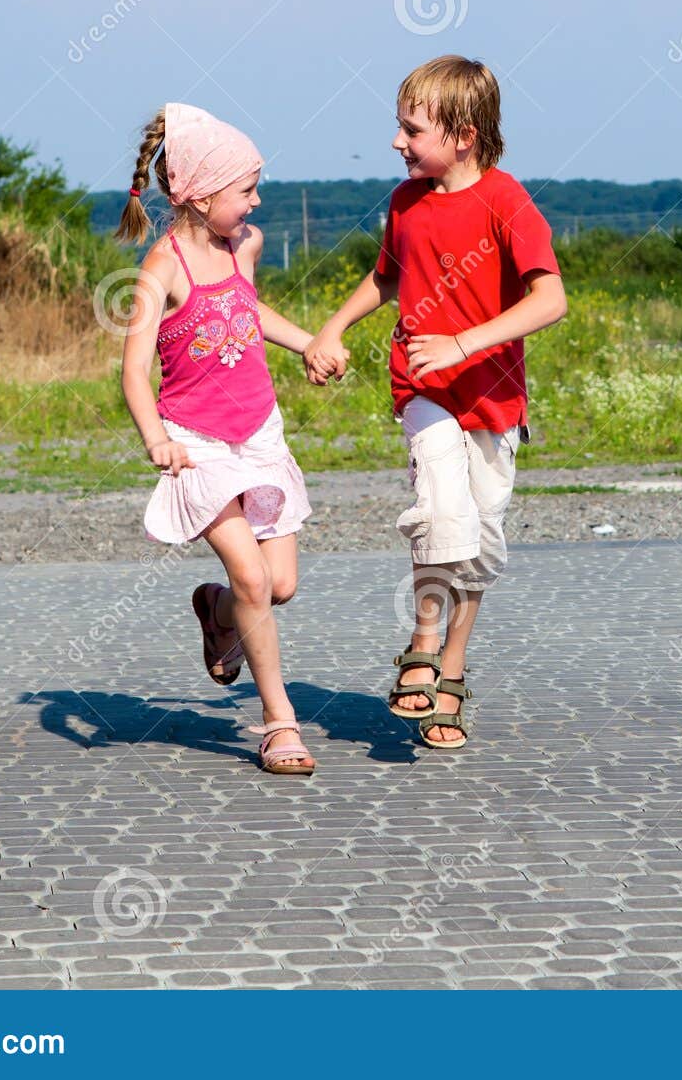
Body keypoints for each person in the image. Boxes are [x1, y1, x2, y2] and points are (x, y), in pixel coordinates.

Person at [306, 56, 567, 749]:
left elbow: (551, 299)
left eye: (410, 129)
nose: (397, 142)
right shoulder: (404, 202)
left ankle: (451, 667)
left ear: (463, 135)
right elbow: (386, 277)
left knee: (478, 540)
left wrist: (465, 344)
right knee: (441, 508)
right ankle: (424, 642)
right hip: (423, 388)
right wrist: (333, 326)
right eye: (399, 126)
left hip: (495, 399)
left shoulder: (508, 201)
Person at [116, 102, 327, 775]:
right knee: (253, 577)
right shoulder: (163, 267)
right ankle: (278, 722)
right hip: (198, 444)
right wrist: (157, 439)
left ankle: (217, 610)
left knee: (281, 584)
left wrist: (308, 344)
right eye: (246, 189)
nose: (256, 201)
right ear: (203, 195)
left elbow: (248, 310)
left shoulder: (248, 246)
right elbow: (133, 369)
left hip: (258, 433)